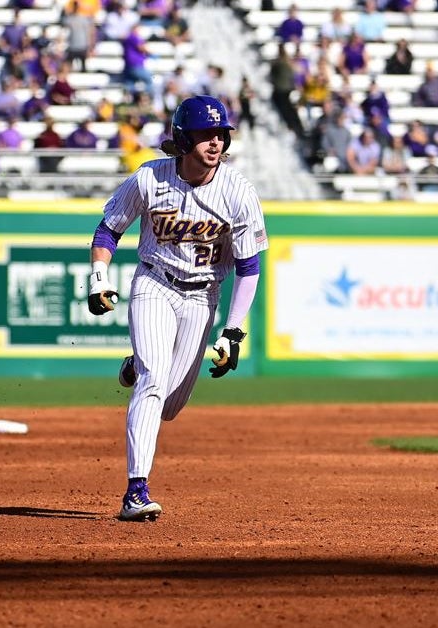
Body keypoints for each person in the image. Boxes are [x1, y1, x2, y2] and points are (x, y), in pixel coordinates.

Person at [86, 95, 268, 521]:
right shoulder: (150, 178)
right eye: (205, 134)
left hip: (202, 297)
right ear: (183, 139)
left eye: (220, 134)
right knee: (152, 381)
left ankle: (136, 362)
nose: (215, 142)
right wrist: (98, 278)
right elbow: (109, 229)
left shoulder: (239, 192)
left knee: (169, 405)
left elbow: (249, 266)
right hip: (154, 282)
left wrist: (233, 330)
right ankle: (136, 489)